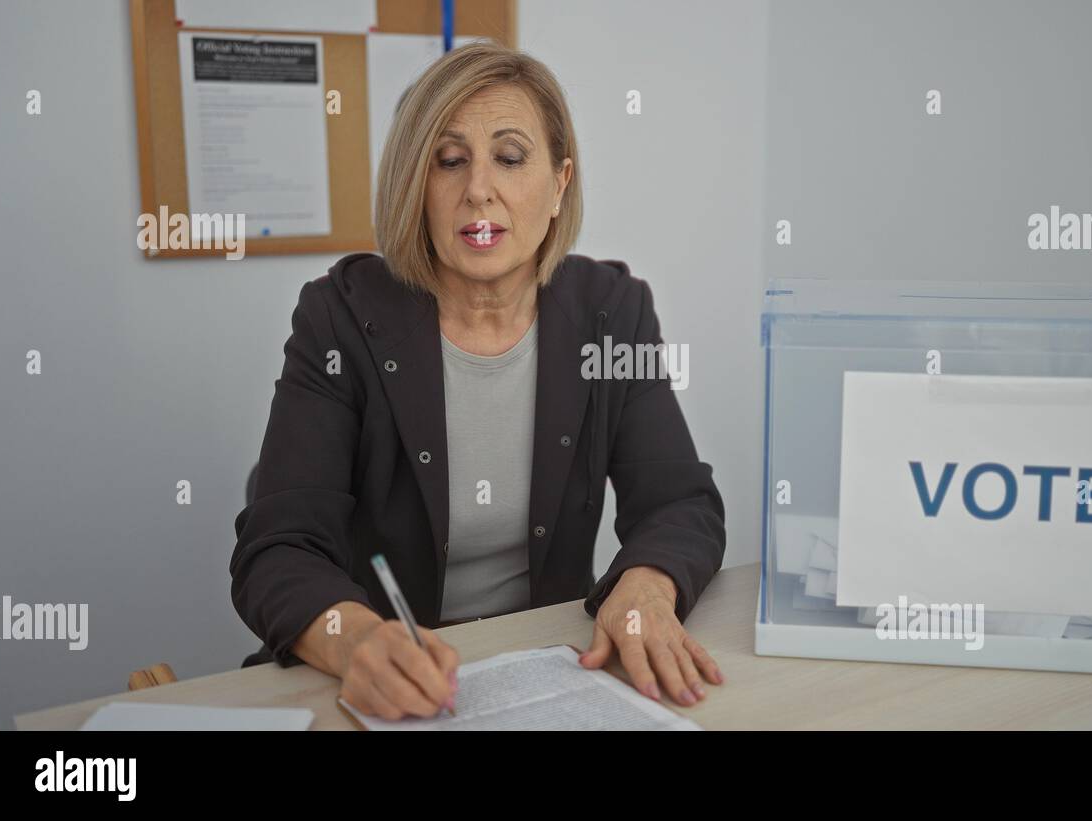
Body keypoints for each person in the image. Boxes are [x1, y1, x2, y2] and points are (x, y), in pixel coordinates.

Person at [230, 41, 726, 720]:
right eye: (450, 160)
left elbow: (679, 502)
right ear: (416, 185)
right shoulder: (339, 317)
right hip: (375, 690)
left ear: (559, 184)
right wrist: (358, 640)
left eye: (511, 157)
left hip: (547, 679)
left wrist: (645, 584)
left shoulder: (611, 311)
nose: (478, 189)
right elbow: (278, 546)